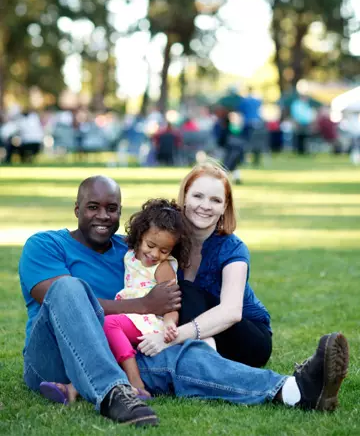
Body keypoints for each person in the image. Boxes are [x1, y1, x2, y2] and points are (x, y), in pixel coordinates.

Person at [19, 175, 349, 428]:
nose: (102, 216)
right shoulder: (46, 245)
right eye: (93, 207)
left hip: (121, 354)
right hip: (53, 362)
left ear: (123, 213)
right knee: (70, 288)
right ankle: (112, 394)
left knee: (186, 356)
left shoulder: (134, 250)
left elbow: (170, 245)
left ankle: (296, 390)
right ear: (77, 209)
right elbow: (57, 300)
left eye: (112, 208)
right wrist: (144, 305)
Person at [40, 198, 192, 402]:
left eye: (164, 251)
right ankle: (73, 388)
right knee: (100, 338)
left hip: (149, 322)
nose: (154, 254)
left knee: (108, 324)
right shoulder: (130, 255)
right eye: (151, 245)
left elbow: (171, 303)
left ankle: (135, 382)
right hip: (130, 317)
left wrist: (169, 322)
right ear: (140, 235)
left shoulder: (163, 268)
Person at [137, 162, 272, 368]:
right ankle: (201, 361)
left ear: (224, 207)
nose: (205, 206)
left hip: (245, 337)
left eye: (215, 200)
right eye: (198, 196)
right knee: (173, 292)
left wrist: (169, 338)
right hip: (189, 330)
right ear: (184, 197)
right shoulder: (168, 242)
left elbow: (231, 312)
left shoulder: (233, 248)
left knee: (185, 290)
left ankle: (202, 358)